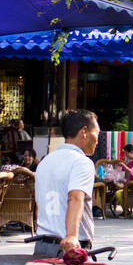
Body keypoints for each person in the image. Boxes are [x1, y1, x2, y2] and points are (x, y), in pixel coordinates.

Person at [33, 108, 99, 257]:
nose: (97, 138)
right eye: (96, 132)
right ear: (84, 131)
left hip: (42, 245)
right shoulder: (82, 162)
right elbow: (75, 197)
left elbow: (39, 203)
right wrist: (72, 236)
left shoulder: (45, 162)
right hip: (69, 248)